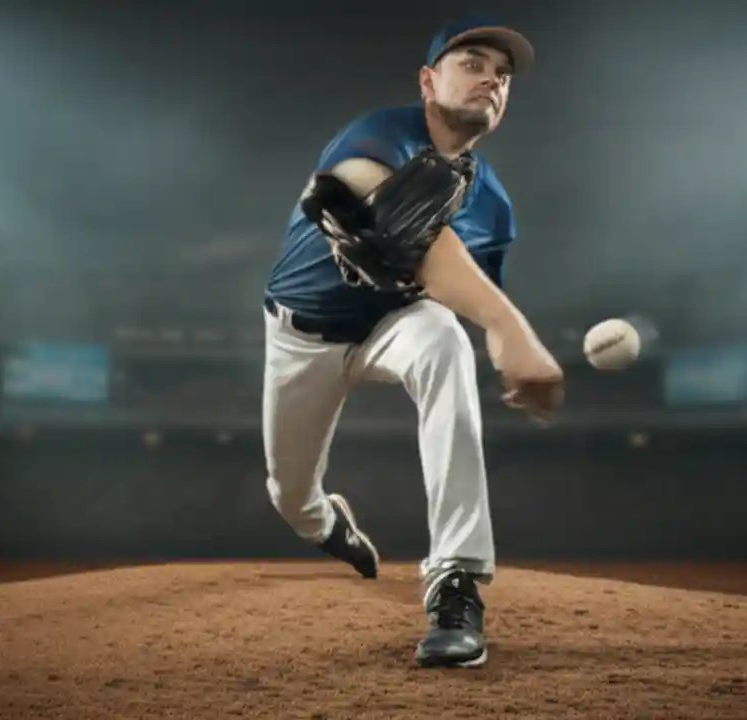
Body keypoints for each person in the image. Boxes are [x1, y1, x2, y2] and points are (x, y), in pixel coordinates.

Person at [260, 16, 563, 669]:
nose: (492, 79)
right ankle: (326, 522)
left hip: (396, 327)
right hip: (302, 336)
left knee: (446, 341)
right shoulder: (376, 134)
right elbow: (398, 228)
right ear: (428, 81)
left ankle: (456, 581)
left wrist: (501, 340)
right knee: (288, 497)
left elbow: (465, 296)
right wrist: (510, 326)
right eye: (473, 63)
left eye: (503, 75)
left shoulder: (494, 207)